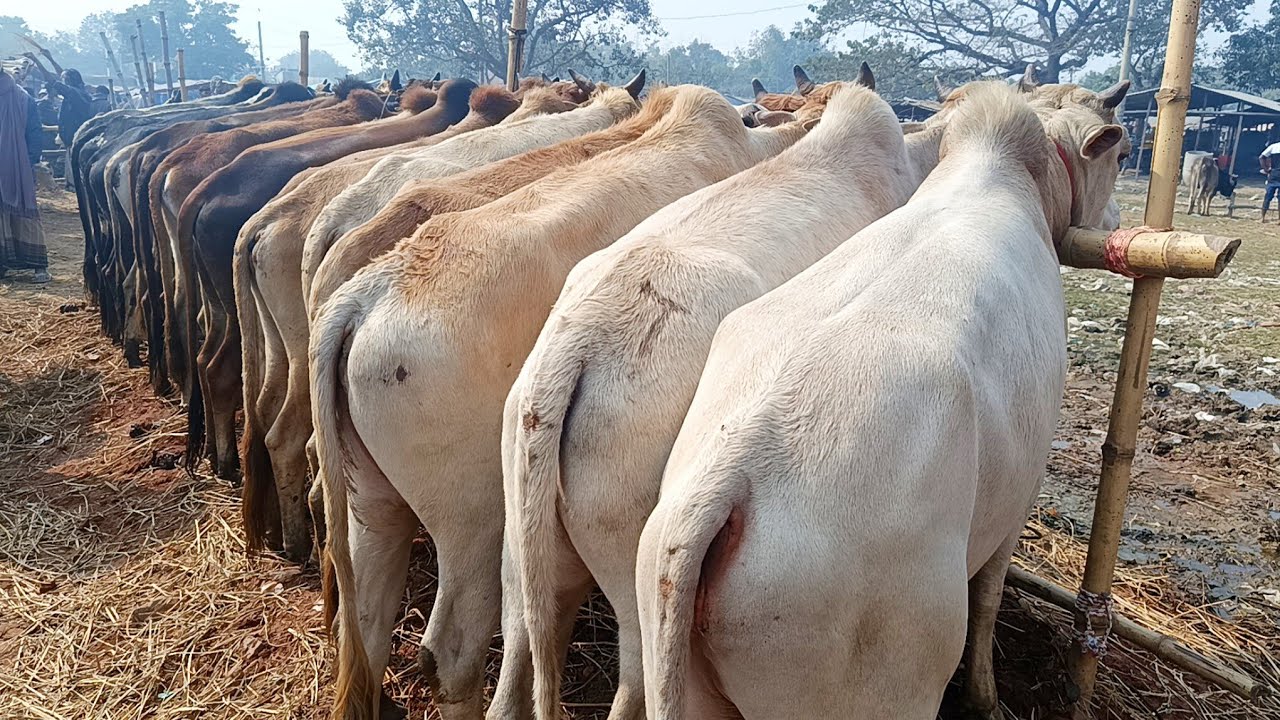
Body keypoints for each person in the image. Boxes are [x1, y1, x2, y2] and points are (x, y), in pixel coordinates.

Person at [0, 68, 50, 282]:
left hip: (16, 164)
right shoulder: (25, 97)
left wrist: (27, 162)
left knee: (24, 210)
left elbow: (34, 134)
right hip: (17, 164)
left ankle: (38, 264)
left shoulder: (22, 98)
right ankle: (5, 264)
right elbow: (36, 134)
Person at [24, 51, 92, 190]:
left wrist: (37, 61)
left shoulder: (73, 93)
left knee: (76, 175)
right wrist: (50, 58)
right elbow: (61, 75)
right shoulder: (80, 91)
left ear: (69, 81)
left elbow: (53, 81)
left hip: (74, 137)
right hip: (75, 136)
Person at [1261, 140, 1280, 223]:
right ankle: (1279, 219)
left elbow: (1261, 157)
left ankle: (1262, 217)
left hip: (1273, 174)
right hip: (1275, 175)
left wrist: (1266, 169)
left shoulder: (1274, 146)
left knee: (1267, 196)